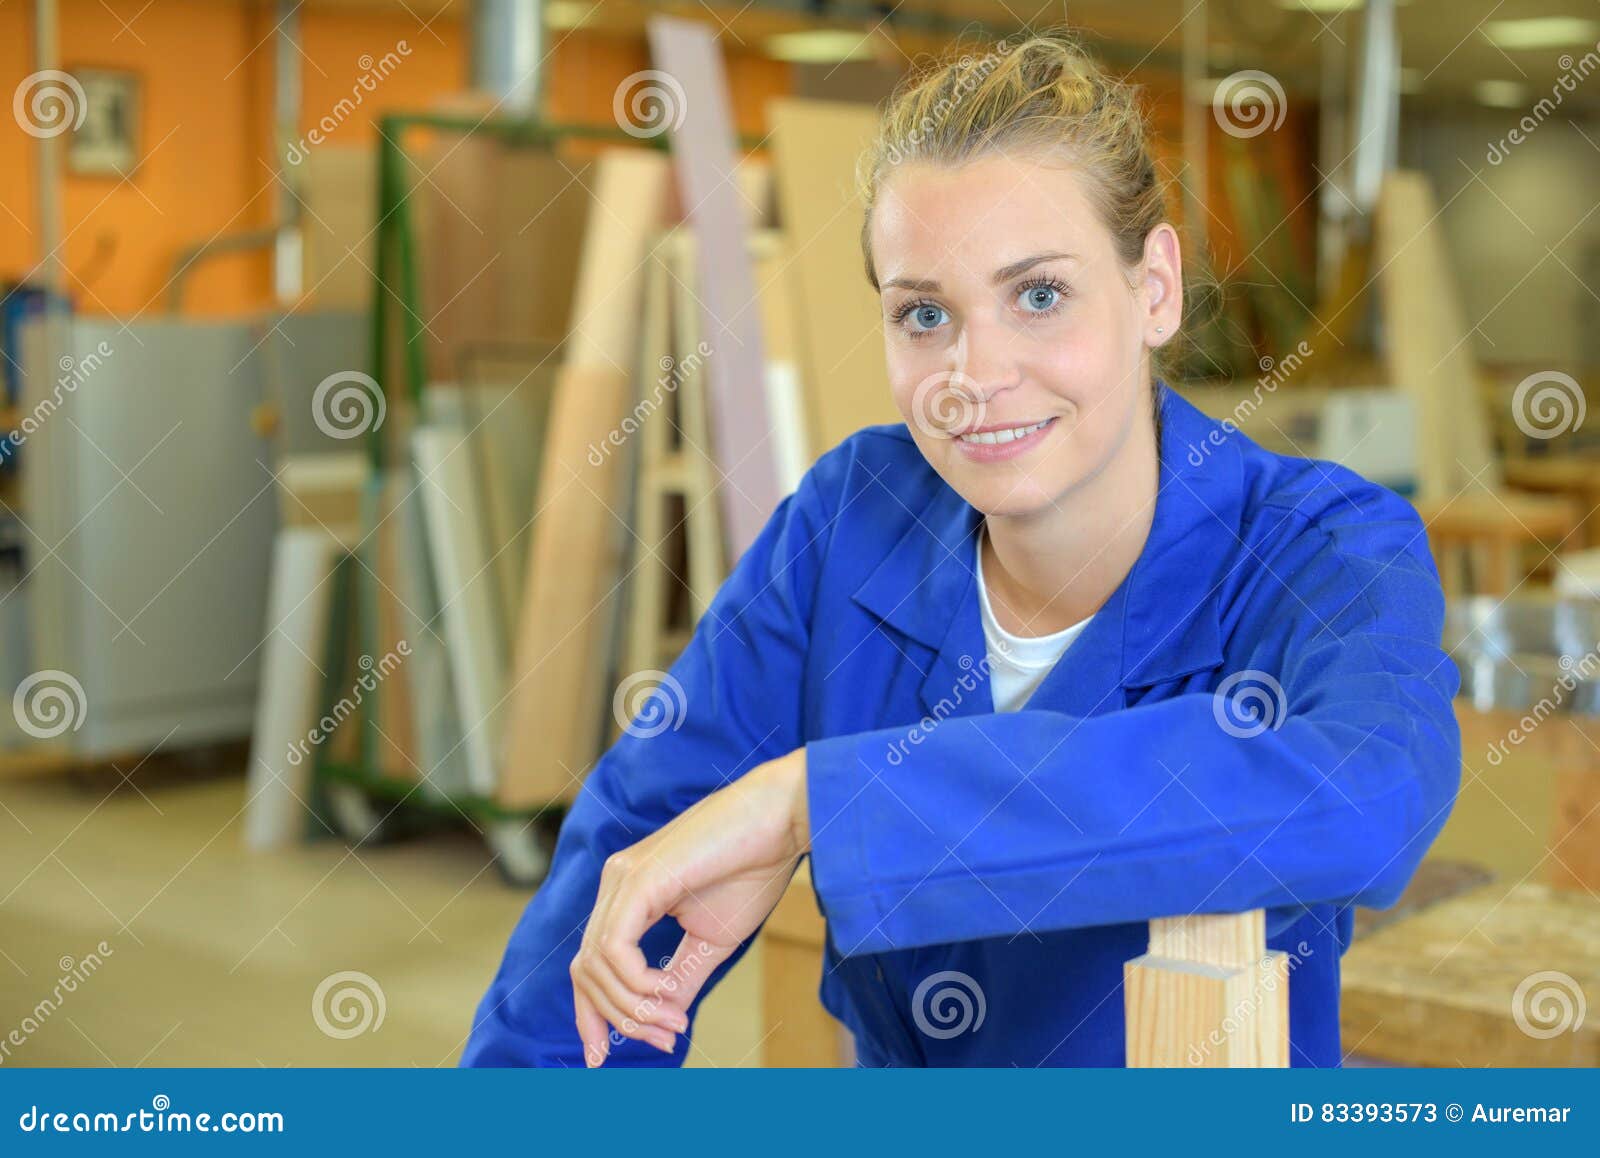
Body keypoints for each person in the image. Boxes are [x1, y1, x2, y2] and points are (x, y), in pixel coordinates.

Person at [460, 32, 1460, 1068]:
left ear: (1153, 286)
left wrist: (818, 801)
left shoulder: (1322, 546)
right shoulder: (852, 520)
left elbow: (1364, 794)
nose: (971, 375)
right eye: (925, 314)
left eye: (1038, 295)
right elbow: (633, 864)